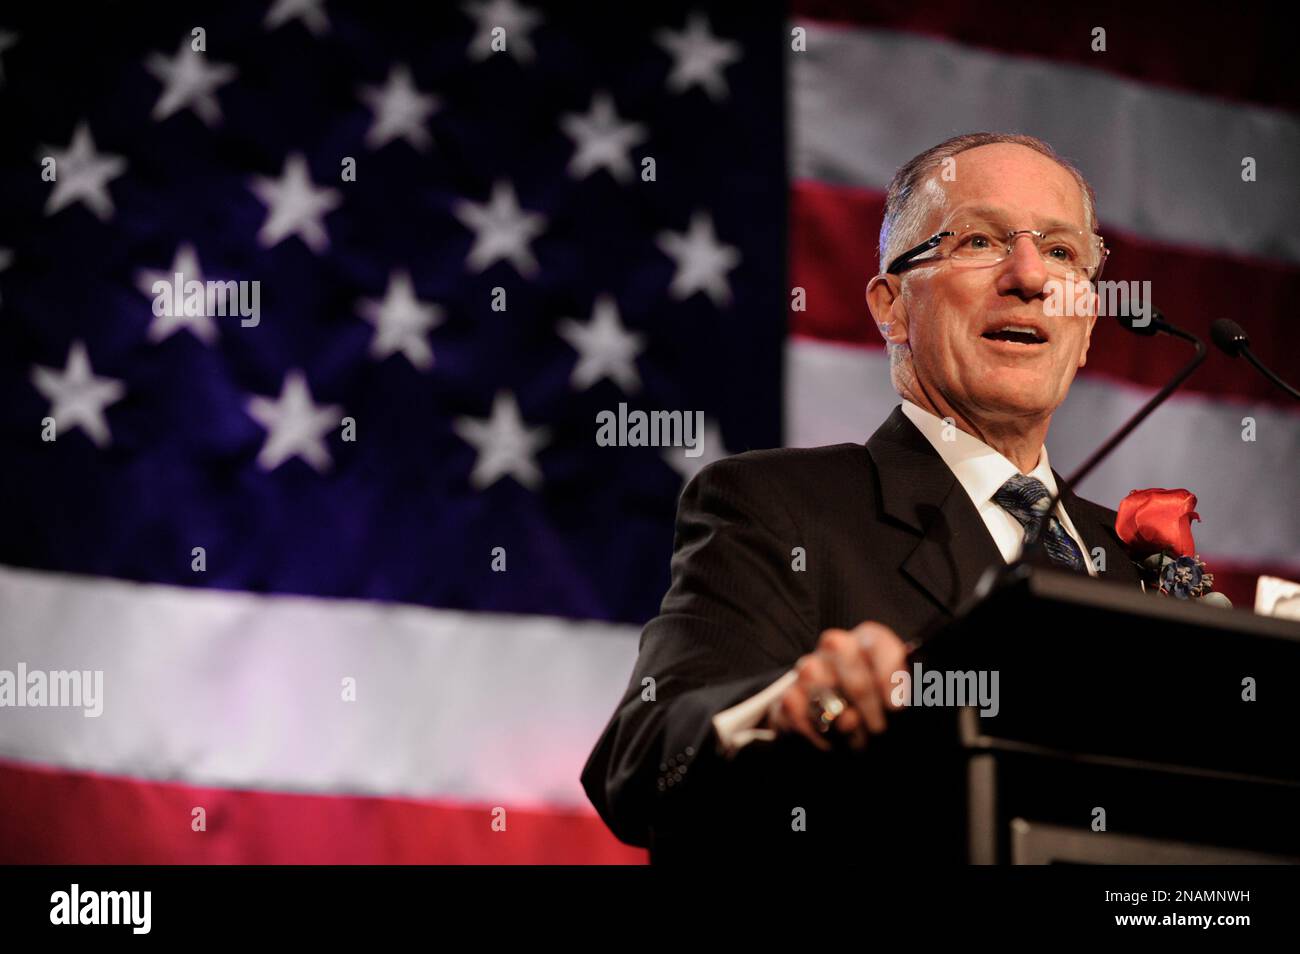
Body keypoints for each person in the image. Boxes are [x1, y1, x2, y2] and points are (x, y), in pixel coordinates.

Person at [581, 133, 1145, 863]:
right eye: (980, 239)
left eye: (1063, 253)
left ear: (1089, 322)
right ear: (891, 307)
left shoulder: (1137, 566)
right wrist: (790, 707)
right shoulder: (775, 507)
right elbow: (644, 753)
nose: (1031, 276)